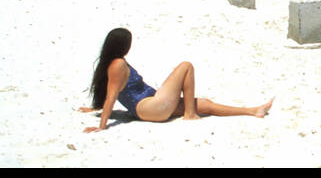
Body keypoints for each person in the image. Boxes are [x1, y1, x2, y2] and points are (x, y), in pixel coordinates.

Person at [80, 28, 272, 131]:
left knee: (206, 104)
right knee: (186, 66)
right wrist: (101, 126)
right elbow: (111, 96)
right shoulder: (118, 65)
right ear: (123, 45)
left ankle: (253, 111)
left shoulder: (112, 63)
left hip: (153, 103)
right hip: (149, 108)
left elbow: (108, 92)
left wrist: (95, 109)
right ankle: (189, 114)